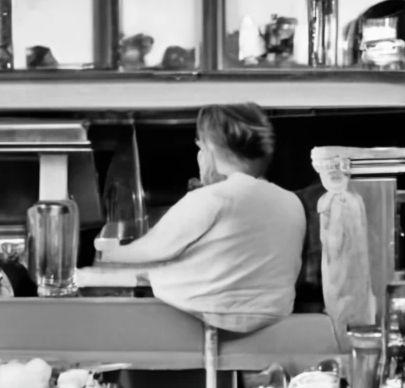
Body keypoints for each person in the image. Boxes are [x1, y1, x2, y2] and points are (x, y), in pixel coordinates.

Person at [95, 103, 306, 333]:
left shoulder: (213, 198)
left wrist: (107, 252)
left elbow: (152, 250)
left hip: (209, 315)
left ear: (212, 148)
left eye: (202, 148)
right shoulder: (291, 201)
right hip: (275, 313)